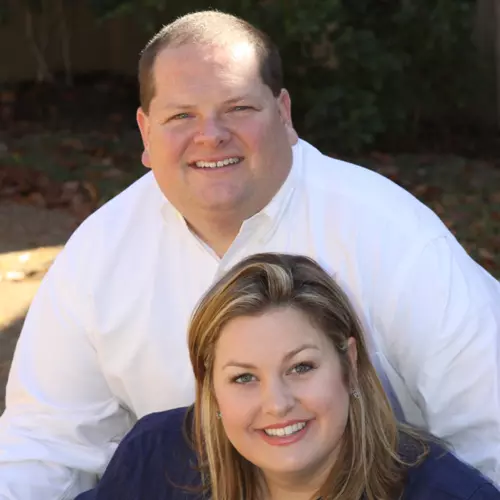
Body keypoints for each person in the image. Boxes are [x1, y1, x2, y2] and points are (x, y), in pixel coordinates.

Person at [0, 9, 499, 499]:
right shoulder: (99, 251)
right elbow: (46, 442)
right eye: (181, 116)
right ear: (145, 132)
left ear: (283, 114)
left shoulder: (393, 236)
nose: (211, 134)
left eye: (238, 108)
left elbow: (490, 428)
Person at [75, 253, 500, 500]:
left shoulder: (442, 492)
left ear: (349, 366)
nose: (277, 402)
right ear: (210, 388)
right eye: (243, 378)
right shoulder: (156, 458)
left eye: (301, 368)